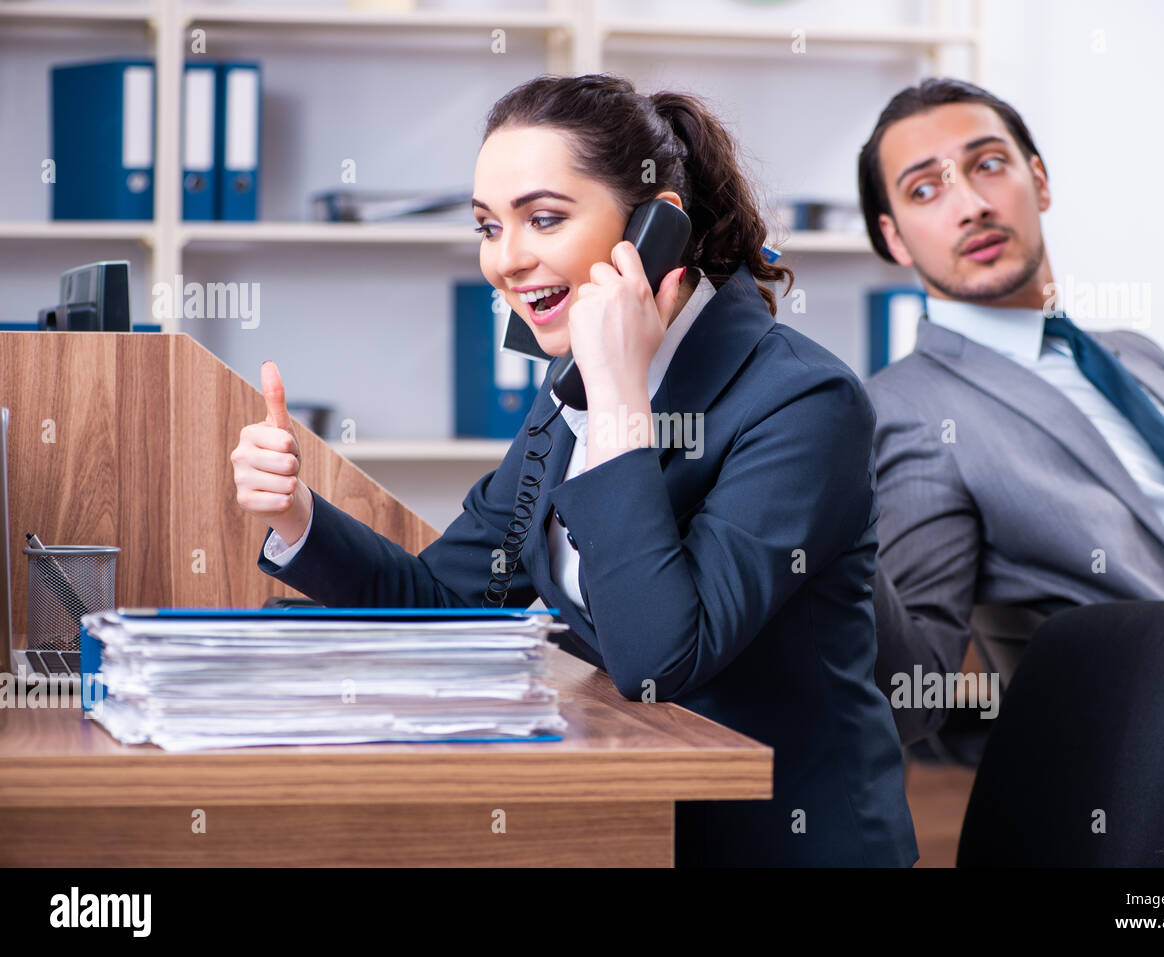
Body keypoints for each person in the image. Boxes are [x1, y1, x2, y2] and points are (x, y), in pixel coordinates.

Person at [230, 73, 918, 868]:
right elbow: (452, 600)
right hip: (624, 828)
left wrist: (620, 396)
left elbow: (661, 658)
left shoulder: (802, 402)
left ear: (655, 226)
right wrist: (298, 516)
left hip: (777, 844)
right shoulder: (570, 396)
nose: (507, 259)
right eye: (490, 226)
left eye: (544, 219)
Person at [858, 76, 1164, 864]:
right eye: (926, 189)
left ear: (1040, 180)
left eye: (989, 165)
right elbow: (910, 685)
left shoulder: (1135, 353)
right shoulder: (908, 408)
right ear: (895, 239)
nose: (970, 205)